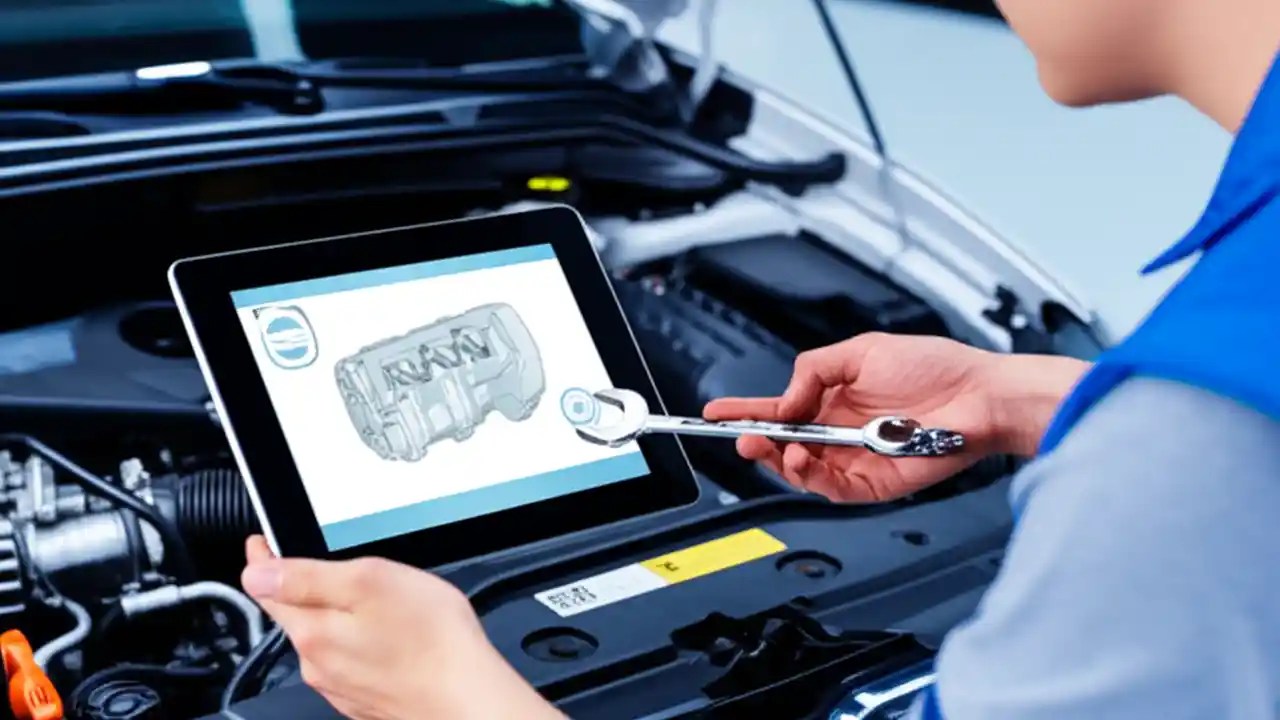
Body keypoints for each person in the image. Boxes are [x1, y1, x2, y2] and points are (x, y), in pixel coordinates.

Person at [238, 0, 1280, 717]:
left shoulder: (1186, 446)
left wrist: (451, 699)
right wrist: (1030, 398)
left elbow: (1201, 471)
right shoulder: (1209, 390)